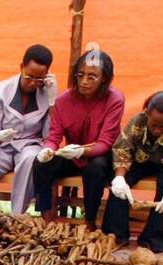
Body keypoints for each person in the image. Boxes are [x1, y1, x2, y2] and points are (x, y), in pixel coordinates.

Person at [33, 48, 124, 231]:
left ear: (104, 79)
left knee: (96, 167)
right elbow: (54, 135)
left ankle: (89, 222)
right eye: (80, 75)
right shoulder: (63, 100)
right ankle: (46, 218)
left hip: (102, 157)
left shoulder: (115, 99)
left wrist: (83, 150)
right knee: (41, 163)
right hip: (73, 155)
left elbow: (105, 143)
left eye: (92, 77)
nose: (84, 81)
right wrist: (47, 149)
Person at [0, 44, 57, 217]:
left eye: (39, 79)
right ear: (21, 67)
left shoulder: (48, 92)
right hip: (2, 146)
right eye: (29, 76)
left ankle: (17, 216)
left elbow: (49, 134)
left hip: (31, 144)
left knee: (30, 160)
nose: (33, 83)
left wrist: (53, 102)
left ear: (46, 75)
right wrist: (0, 136)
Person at [102, 91, 163, 249]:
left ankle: (153, 240)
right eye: (154, 125)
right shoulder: (137, 121)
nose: (157, 130)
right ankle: (116, 235)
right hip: (142, 156)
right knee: (119, 184)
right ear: (147, 114)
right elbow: (122, 151)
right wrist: (119, 179)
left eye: (162, 126)